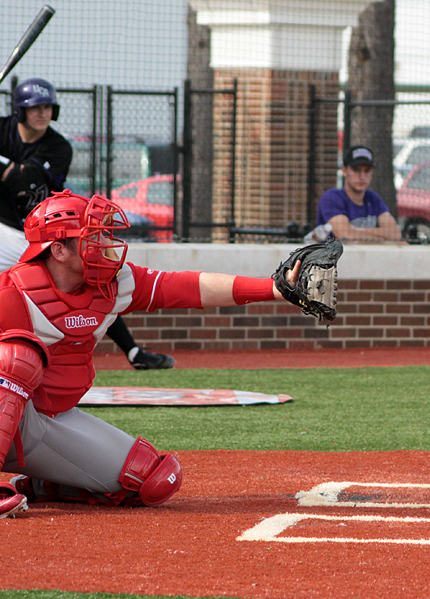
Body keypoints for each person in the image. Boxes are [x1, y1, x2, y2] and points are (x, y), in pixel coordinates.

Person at [0, 189, 313, 517]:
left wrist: (272, 288)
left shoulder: (112, 284)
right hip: (15, 413)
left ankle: (40, 484)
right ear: (59, 250)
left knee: (148, 480)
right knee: (17, 359)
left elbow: (185, 287)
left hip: (48, 421)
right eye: (93, 237)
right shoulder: (12, 291)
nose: (105, 244)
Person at [0, 77, 174, 370]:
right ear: (20, 111)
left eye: (47, 107)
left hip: (41, 234)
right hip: (4, 227)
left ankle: (132, 352)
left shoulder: (58, 147)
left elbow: (22, 177)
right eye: (34, 108)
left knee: (88, 278)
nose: (42, 113)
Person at [314, 145, 403, 244]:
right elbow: (347, 236)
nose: (362, 176)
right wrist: (385, 242)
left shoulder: (373, 199)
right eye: (356, 170)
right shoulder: (332, 198)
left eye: (367, 170)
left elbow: (395, 233)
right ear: (344, 171)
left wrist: (358, 229)